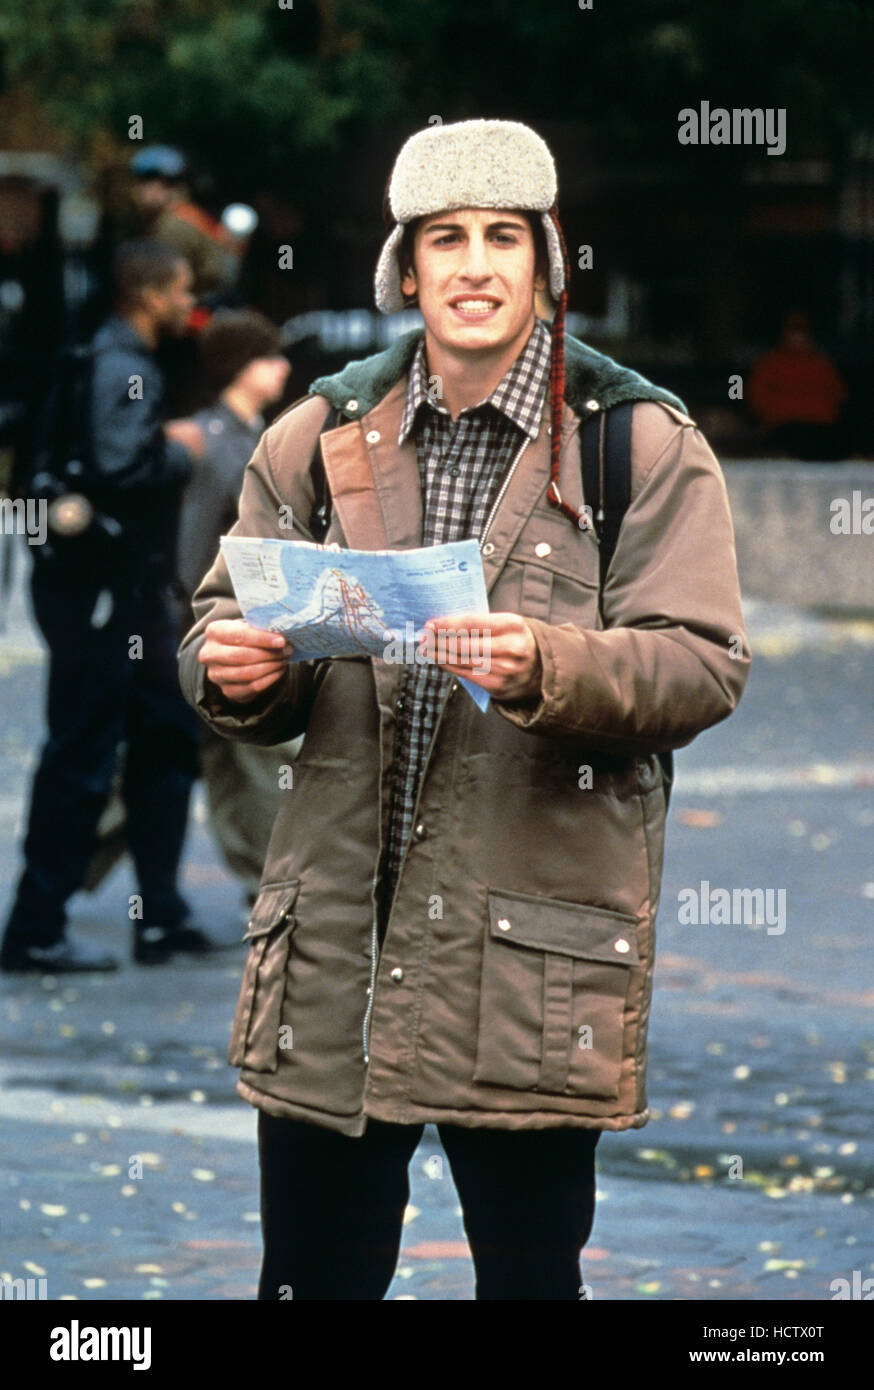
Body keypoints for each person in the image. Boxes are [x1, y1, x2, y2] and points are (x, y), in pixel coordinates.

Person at [177, 120, 751, 1300]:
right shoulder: (319, 431)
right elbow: (219, 618)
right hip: (335, 951)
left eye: (504, 236)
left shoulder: (636, 445)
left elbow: (700, 663)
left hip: (529, 965)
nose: (475, 264)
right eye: (446, 239)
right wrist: (233, 671)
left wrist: (545, 661)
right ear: (406, 267)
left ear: (546, 261)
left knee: (529, 1283)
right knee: (311, 1282)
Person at [1, 240, 211, 973]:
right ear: (149, 293)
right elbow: (124, 466)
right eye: (183, 288)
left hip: (116, 590)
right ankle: (35, 927)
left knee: (164, 731)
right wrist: (182, 449)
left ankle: (157, 916)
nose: (191, 303)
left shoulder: (97, 356)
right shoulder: (122, 366)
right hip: (105, 592)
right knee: (83, 753)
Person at [176, 309, 297, 909]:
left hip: (233, 629)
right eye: (271, 357)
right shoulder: (214, 440)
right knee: (247, 763)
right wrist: (195, 622)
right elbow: (196, 547)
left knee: (228, 765)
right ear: (241, 367)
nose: (284, 367)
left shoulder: (249, 435)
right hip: (215, 629)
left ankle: (262, 877)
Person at [129, 146, 237, 303]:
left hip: (203, 306)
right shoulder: (157, 220)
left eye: (166, 183)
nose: (154, 190)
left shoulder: (174, 225)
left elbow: (162, 284)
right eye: (146, 181)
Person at [747, 309, 849, 460]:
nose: (797, 337)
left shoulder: (822, 365)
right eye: (793, 331)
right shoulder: (769, 364)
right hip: (784, 429)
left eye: (802, 331)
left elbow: (838, 395)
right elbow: (754, 397)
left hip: (821, 430)